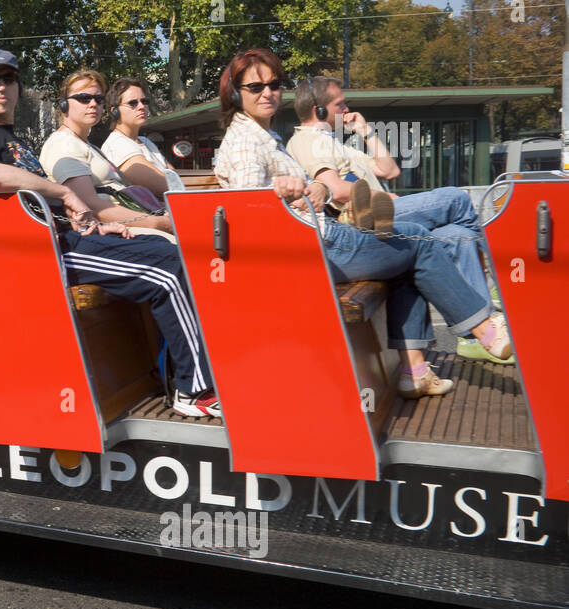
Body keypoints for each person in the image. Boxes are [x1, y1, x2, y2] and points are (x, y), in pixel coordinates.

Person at [213, 48, 511, 398]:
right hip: (314, 247)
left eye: (274, 84)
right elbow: (251, 212)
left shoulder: (265, 136)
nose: (268, 92)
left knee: (405, 256)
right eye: (255, 87)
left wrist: (311, 188)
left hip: (318, 238)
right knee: (418, 240)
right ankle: (482, 326)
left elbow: (374, 174)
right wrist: (279, 193)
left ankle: (414, 372)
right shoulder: (248, 142)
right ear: (235, 94)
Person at [0, 48, 220, 418]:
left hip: (67, 237)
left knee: (173, 256)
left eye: (8, 79)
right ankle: (195, 391)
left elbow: (36, 203)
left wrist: (94, 222)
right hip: (40, 254)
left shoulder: (11, 138)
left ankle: (176, 375)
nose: (0, 87)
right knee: (166, 275)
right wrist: (63, 191)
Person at [287, 75, 507, 364]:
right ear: (319, 110)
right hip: (365, 219)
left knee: (456, 234)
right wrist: (381, 199)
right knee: (456, 199)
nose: (346, 109)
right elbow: (337, 190)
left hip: (384, 215)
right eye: (340, 105)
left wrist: (365, 130)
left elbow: (388, 170)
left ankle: (473, 337)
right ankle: (497, 287)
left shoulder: (336, 144)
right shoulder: (307, 140)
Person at [39, 69, 174, 237]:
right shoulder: (64, 144)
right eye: (84, 98)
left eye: (99, 99)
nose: (93, 104)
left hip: (130, 222)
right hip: (110, 231)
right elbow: (90, 204)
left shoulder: (88, 146)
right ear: (64, 104)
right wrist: (158, 223)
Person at [102, 76, 184, 194]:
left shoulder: (145, 141)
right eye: (133, 103)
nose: (142, 107)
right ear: (114, 111)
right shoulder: (117, 144)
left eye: (144, 101)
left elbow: (174, 178)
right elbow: (168, 186)